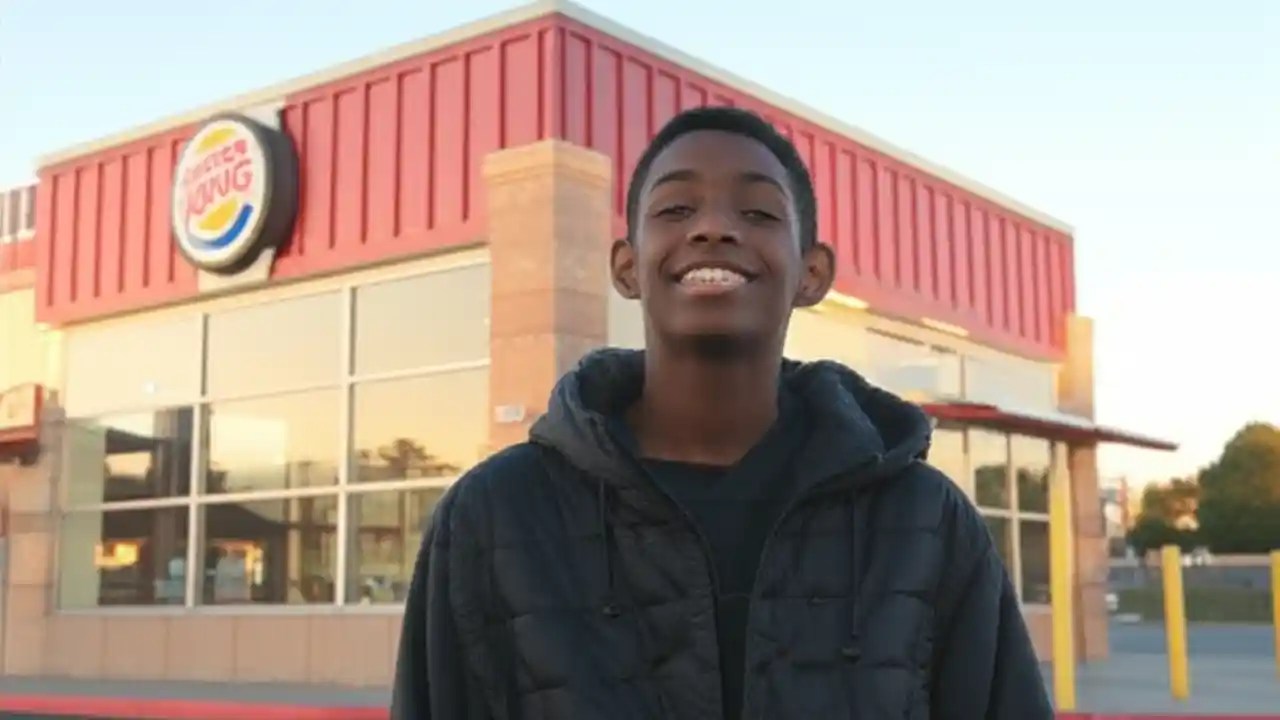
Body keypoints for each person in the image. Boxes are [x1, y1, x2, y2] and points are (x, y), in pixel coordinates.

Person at [392, 106, 1053, 719]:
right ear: (627, 266)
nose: (713, 228)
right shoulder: (497, 516)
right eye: (676, 208)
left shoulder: (924, 522)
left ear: (811, 273)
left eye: (759, 213)